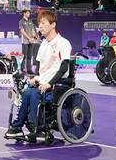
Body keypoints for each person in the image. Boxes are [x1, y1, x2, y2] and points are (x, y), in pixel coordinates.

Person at [6, 9, 72, 143]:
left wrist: (49, 83)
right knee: (27, 91)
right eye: (39, 24)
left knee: (33, 93)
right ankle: (18, 127)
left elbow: (64, 67)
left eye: (43, 23)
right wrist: (34, 78)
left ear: (53, 25)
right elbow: (40, 69)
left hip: (57, 85)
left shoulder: (63, 43)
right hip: (42, 82)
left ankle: (38, 129)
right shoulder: (43, 44)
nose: (39, 26)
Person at [19, 8, 39, 75]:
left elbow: (33, 30)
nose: (29, 14)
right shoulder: (21, 21)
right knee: (24, 56)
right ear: (24, 13)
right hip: (25, 41)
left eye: (29, 13)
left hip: (31, 41)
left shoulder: (31, 21)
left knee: (30, 56)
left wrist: (35, 37)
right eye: (27, 13)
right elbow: (22, 31)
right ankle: (22, 69)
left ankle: (29, 69)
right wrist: (29, 38)